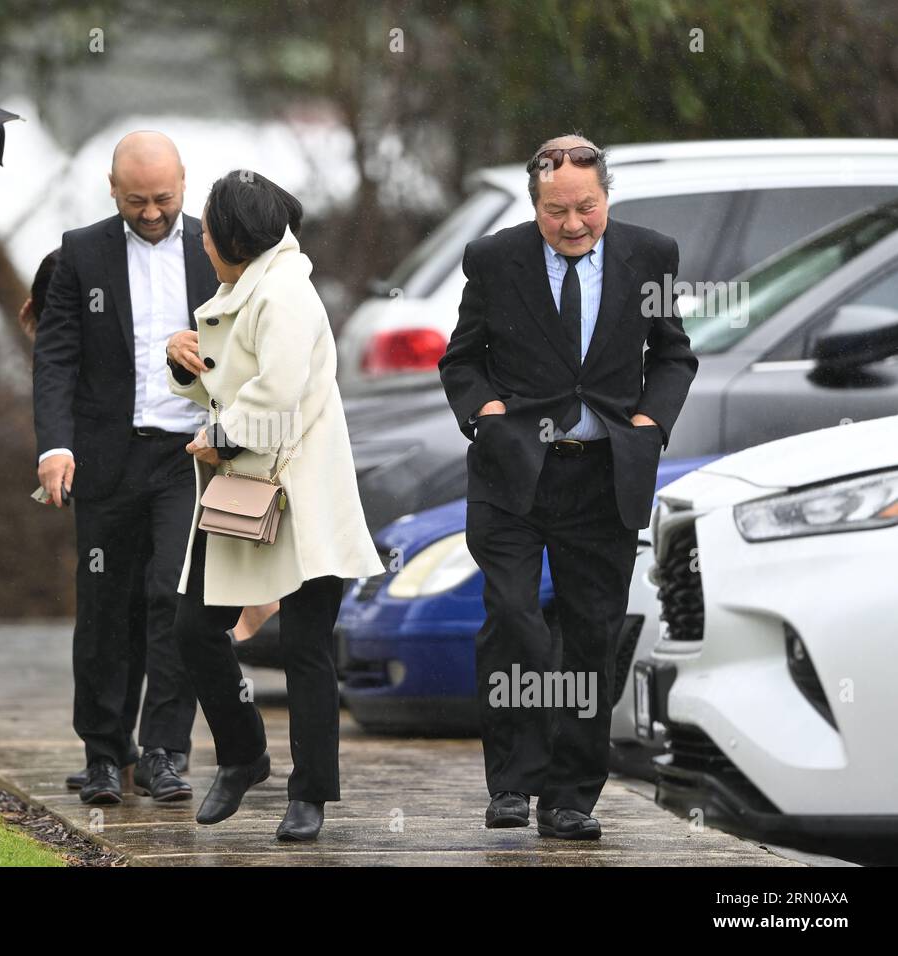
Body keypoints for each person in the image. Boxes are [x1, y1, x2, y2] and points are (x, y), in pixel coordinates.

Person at [438, 133, 697, 839]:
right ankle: (512, 784)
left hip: (604, 473)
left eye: (587, 207)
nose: (574, 224)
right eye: (557, 212)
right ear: (535, 205)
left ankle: (570, 797)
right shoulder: (495, 259)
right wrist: (486, 416)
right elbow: (463, 361)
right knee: (516, 620)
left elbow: (674, 354)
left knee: (591, 636)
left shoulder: (652, 256)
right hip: (512, 475)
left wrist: (647, 424)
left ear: (605, 195)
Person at [167, 170, 385, 842]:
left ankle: (310, 793)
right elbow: (234, 383)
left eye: (205, 231)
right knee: (194, 628)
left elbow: (281, 392)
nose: (200, 242)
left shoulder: (285, 292)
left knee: (306, 646)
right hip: (244, 489)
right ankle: (243, 754)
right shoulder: (245, 285)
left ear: (232, 237)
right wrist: (185, 367)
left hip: (302, 493)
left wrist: (221, 435)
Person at [33, 131, 221, 804]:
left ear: (184, 185)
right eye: (136, 199)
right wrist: (55, 446)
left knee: (176, 600)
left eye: (163, 198)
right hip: (106, 459)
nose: (150, 212)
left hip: (187, 458)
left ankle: (167, 752)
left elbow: (250, 349)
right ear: (112, 189)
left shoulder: (213, 247)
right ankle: (106, 754)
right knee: (105, 609)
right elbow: (55, 355)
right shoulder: (81, 252)